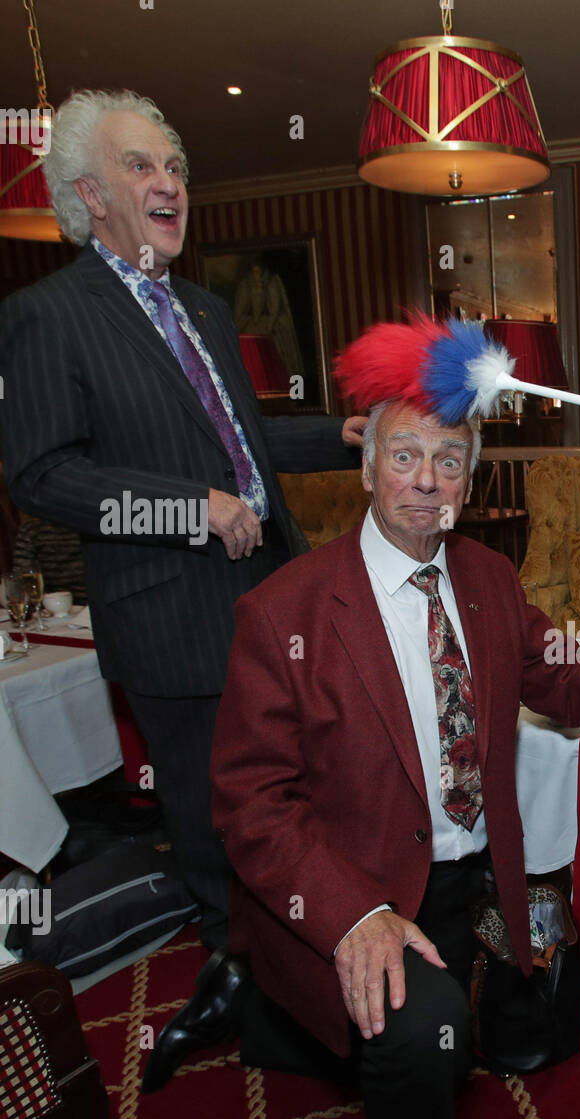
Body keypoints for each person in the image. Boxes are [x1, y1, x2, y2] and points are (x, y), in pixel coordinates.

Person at [208, 339, 580, 1119]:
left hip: (474, 873)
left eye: (451, 460)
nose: (428, 481)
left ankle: (321, 1022)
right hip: (364, 890)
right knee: (426, 1036)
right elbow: (251, 801)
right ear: (367, 467)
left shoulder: (488, 579)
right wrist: (351, 916)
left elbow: (562, 678)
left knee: (512, 1028)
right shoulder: (283, 612)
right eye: (406, 456)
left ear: (471, 476)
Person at [0, 91, 366, 1032]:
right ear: (90, 194)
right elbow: (41, 475)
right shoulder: (47, 315)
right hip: (175, 619)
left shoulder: (202, 307)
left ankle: (298, 968)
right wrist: (186, 511)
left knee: (294, 797)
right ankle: (247, 995)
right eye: (142, 167)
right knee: (214, 828)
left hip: (274, 593)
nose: (169, 184)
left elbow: (243, 443)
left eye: (176, 168)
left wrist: (346, 436)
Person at [11, 515, 88, 604]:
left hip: (53, 604)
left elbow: (20, 579)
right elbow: (22, 578)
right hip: (52, 604)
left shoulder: (32, 529)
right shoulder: (32, 529)